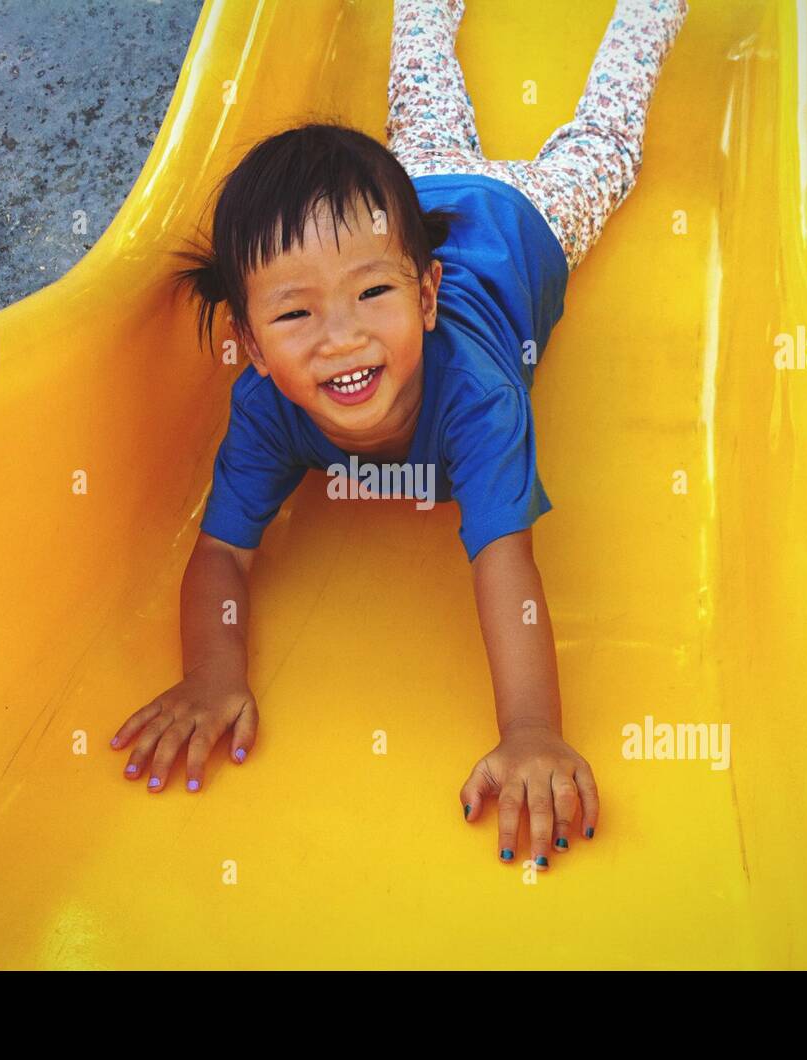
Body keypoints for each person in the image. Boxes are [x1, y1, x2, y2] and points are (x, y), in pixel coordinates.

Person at [111, 0, 688, 870]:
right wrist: (211, 674)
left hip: (523, 218)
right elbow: (222, 554)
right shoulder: (267, 406)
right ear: (253, 345)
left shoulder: (478, 402)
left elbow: (507, 565)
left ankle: (648, 16)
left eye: (374, 300)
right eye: (296, 313)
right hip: (398, 201)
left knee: (605, 147)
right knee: (419, 79)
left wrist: (531, 731)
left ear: (425, 296)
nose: (342, 338)